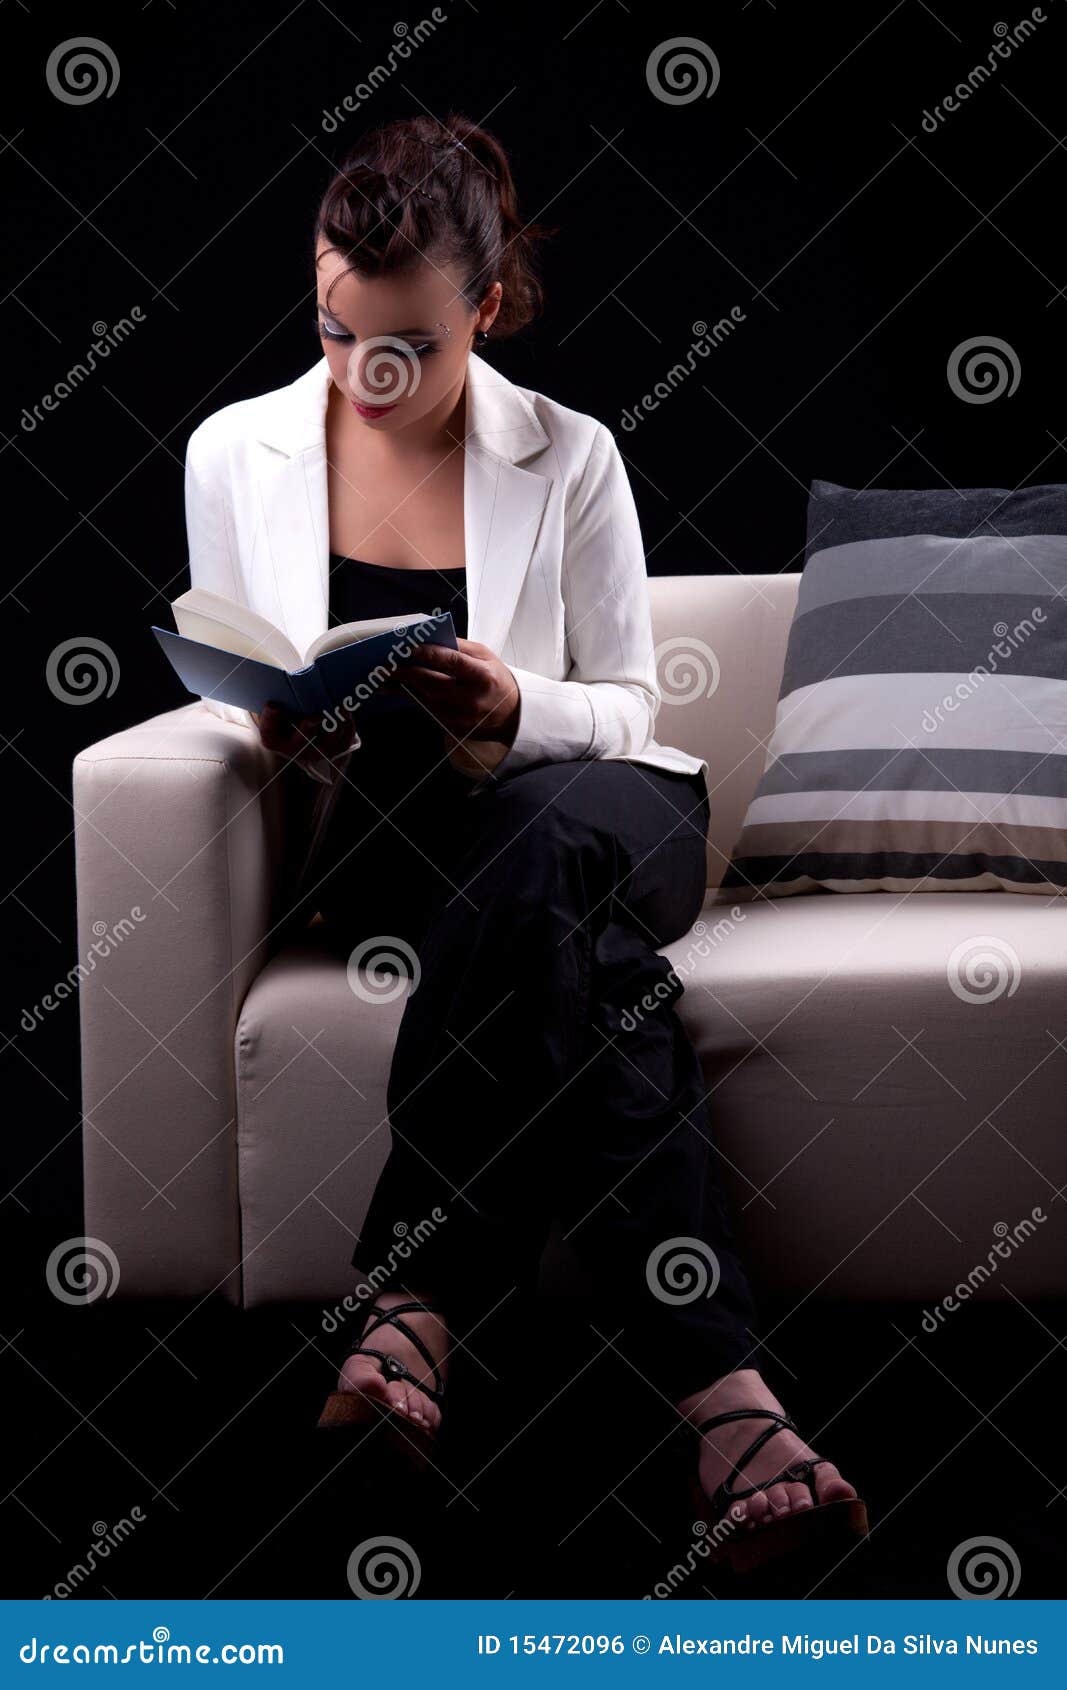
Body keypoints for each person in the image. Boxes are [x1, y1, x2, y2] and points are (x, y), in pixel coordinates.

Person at [184, 111, 864, 1574]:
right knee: (585, 960)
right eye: (334, 331)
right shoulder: (231, 452)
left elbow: (629, 706)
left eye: (409, 347)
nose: (366, 376)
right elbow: (237, 659)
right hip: (400, 844)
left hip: (606, 806)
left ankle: (414, 1308)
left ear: (484, 312)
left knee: (550, 842)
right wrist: (281, 730)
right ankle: (728, 1401)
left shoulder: (574, 456)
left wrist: (511, 700)